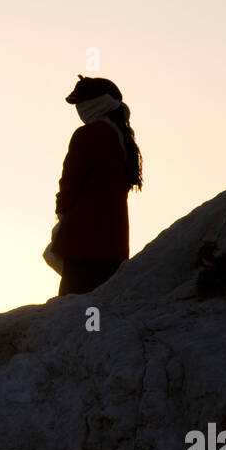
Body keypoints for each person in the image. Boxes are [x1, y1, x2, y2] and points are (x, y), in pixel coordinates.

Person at [47, 76, 143, 295]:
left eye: (81, 103)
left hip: (83, 242)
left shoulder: (88, 135)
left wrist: (61, 211)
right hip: (113, 244)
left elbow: (70, 181)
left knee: (70, 312)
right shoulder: (123, 138)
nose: (79, 109)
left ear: (96, 103)